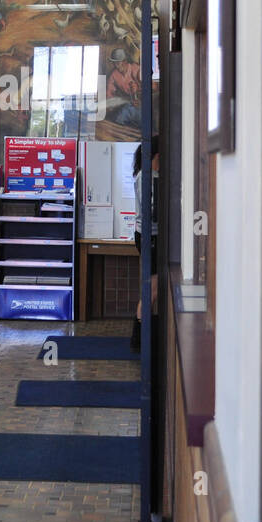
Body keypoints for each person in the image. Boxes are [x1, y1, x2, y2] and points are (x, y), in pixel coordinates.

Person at [132, 134, 160, 352]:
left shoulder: (151, 175)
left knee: (153, 287)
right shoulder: (146, 176)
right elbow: (149, 209)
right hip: (149, 236)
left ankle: (142, 338)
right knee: (150, 288)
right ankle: (139, 339)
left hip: (151, 235)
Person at [106, 47, 142, 127]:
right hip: (128, 106)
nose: (116, 66)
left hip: (143, 105)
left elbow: (152, 87)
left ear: (125, 61)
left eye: (118, 63)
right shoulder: (114, 75)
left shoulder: (136, 69)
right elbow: (109, 93)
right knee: (120, 117)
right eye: (114, 63)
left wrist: (139, 92)